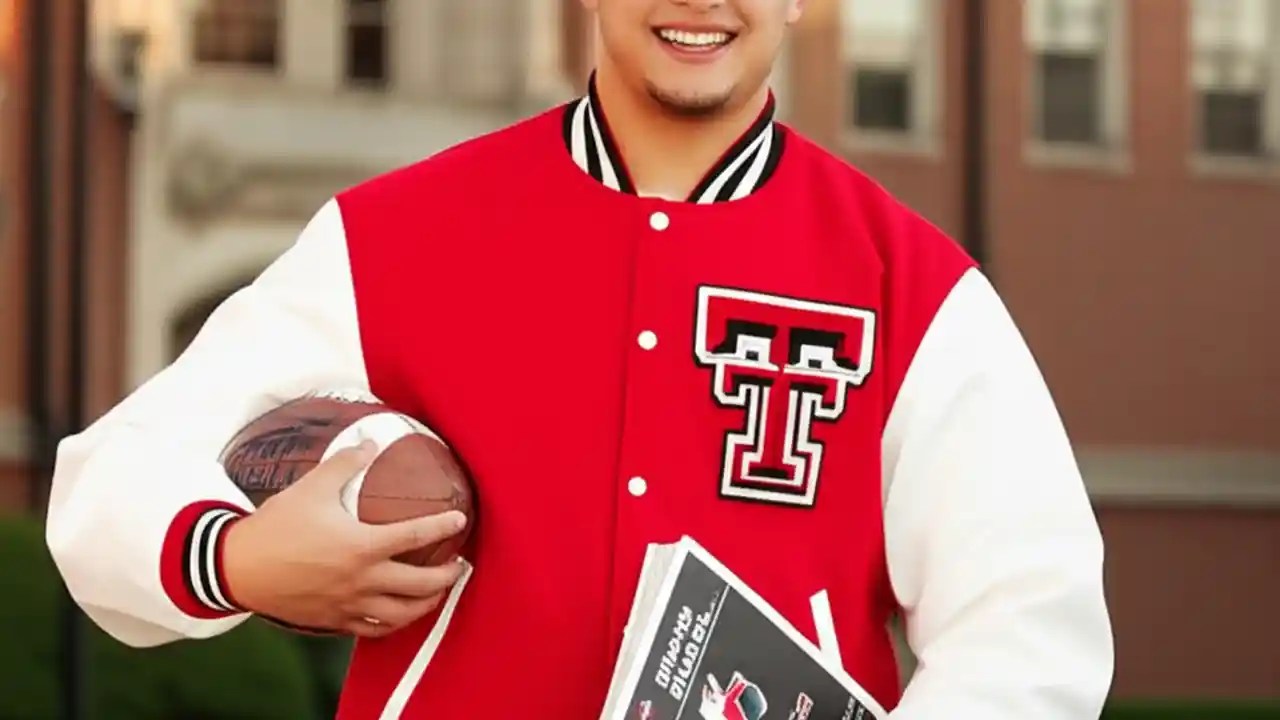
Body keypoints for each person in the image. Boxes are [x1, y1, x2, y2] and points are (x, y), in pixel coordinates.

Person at [45, 0, 1115, 717]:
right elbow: (115, 474)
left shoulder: (912, 290)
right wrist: (235, 558)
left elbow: (1027, 626)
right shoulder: (397, 239)